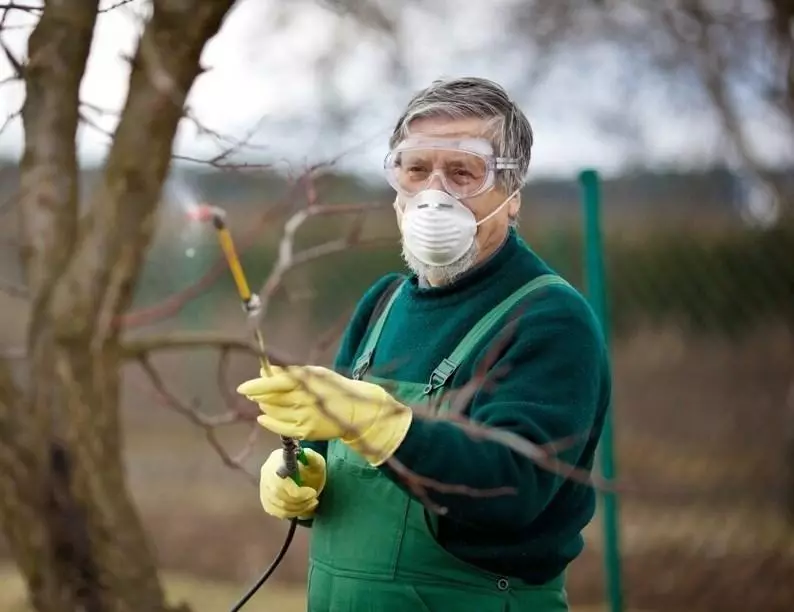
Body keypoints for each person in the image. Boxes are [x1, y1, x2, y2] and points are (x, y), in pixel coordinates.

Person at [237, 76, 611, 611]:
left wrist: (381, 425)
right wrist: (301, 476)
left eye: (463, 172)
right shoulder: (383, 303)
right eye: (415, 170)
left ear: (512, 197)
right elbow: (328, 448)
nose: (433, 194)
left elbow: (512, 488)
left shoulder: (549, 319)